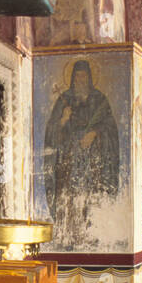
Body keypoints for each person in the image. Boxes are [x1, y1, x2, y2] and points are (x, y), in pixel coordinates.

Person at [43, 59, 119, 237]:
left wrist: (94, 133)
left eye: (84, 75)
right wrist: (63, 119)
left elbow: (110, 128)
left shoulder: (99, 100)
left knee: (90, 197)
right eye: (77, 76)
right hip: (69, 161)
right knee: (70, 198)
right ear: (72, 78)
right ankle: (70, 234)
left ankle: (92, 234)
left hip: (93, 163)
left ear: (90, 77)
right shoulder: (65, 100)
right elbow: (51, 132)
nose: (80, 79)